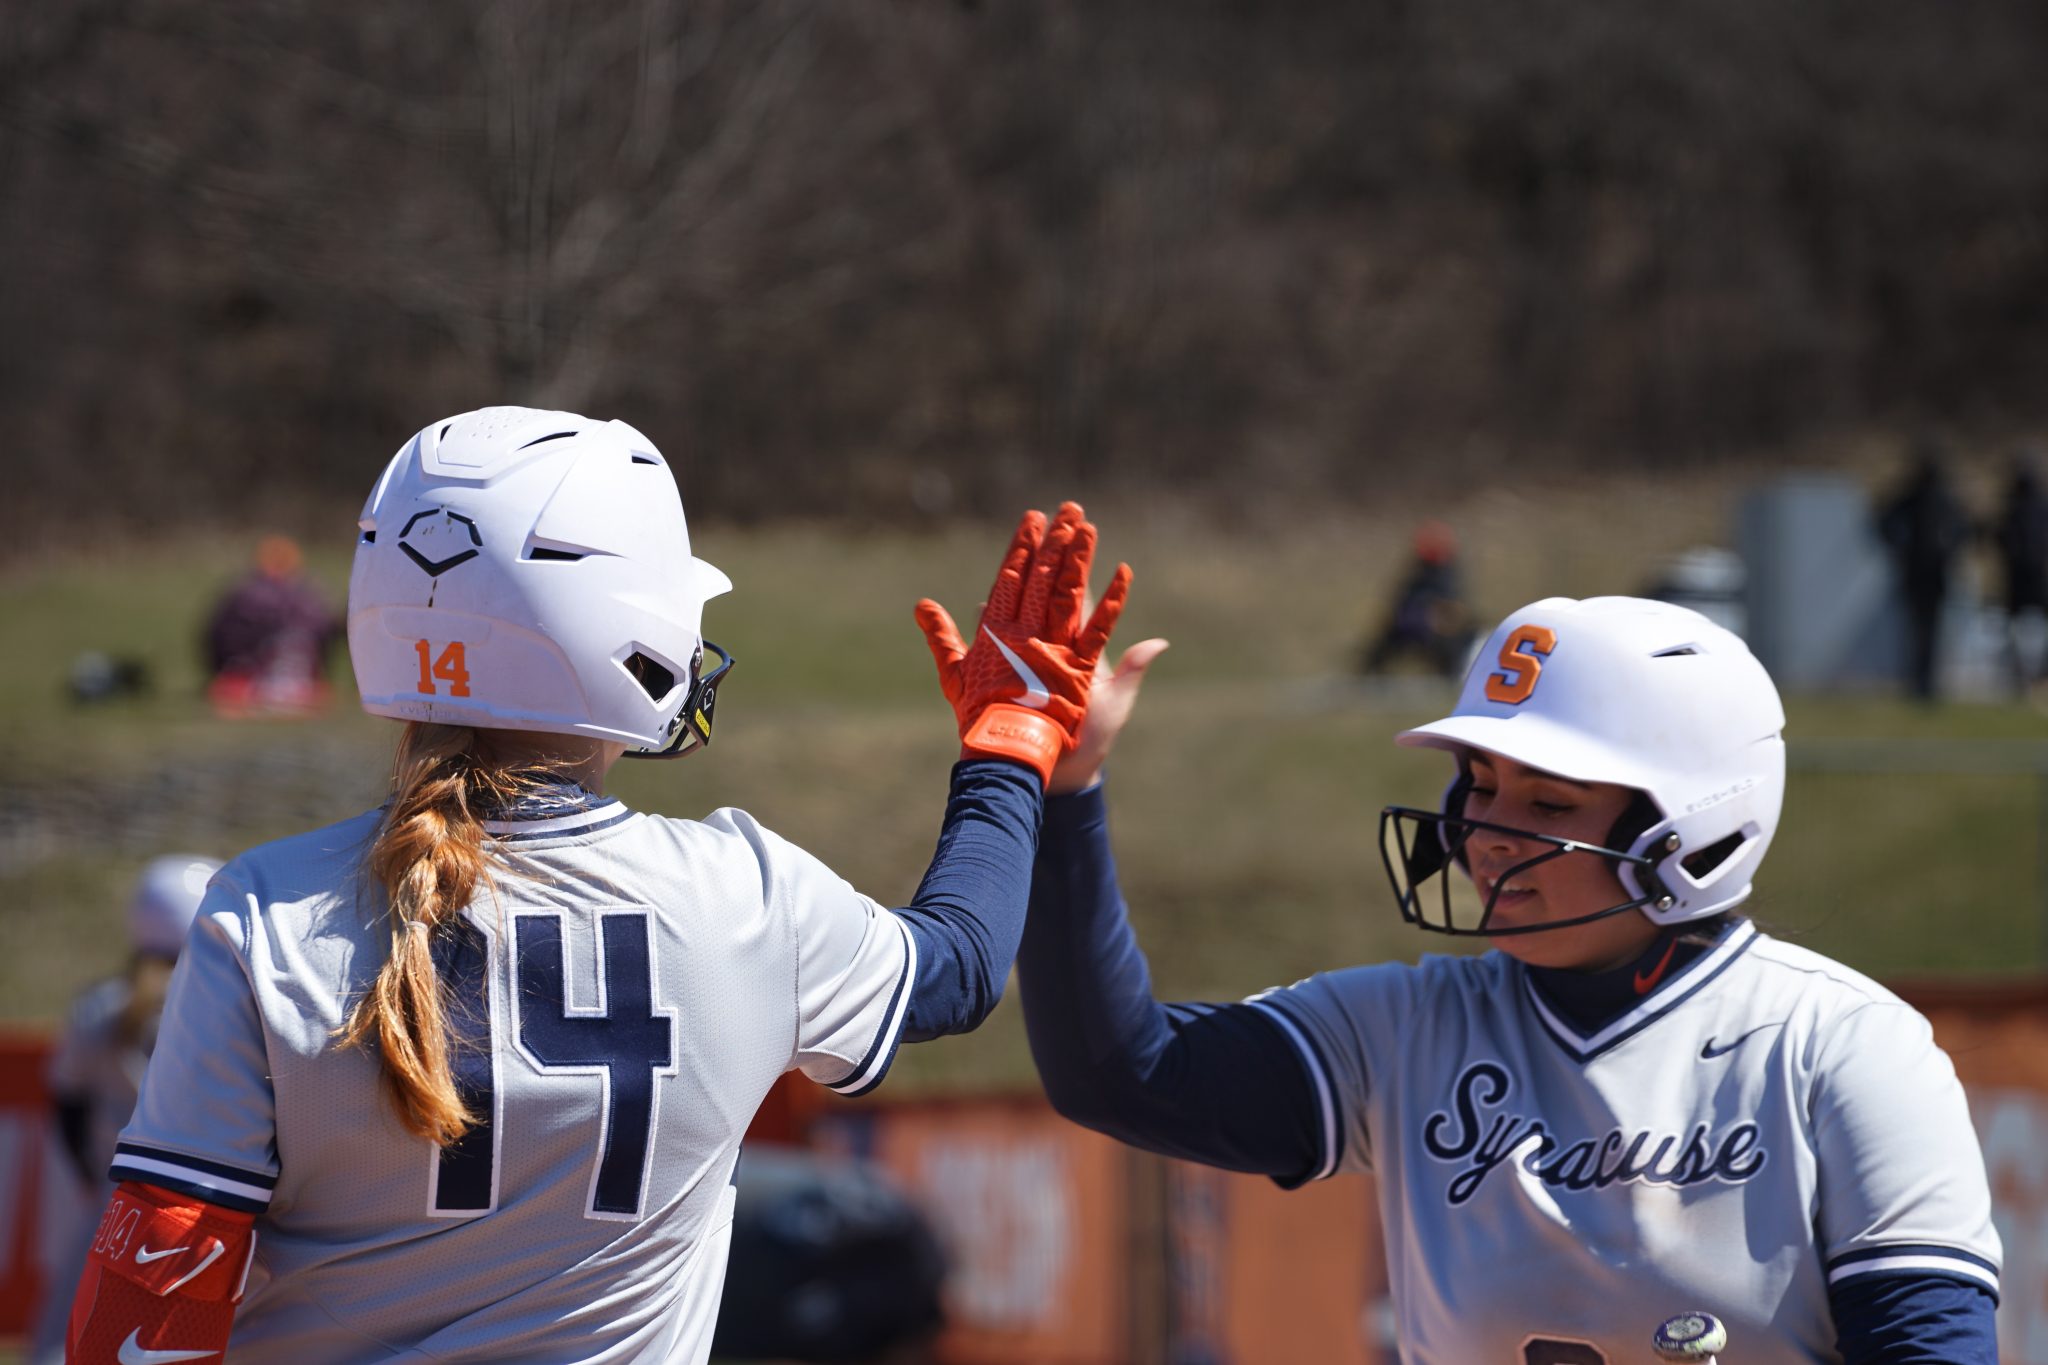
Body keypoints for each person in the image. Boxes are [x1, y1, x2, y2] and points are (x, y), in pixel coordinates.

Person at [66, 406, 1130, 1364]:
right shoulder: (740, 898)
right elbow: (958, 966)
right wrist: (1010, 748)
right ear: (631, 629)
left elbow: (159, 1278)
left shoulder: (264, 908)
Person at [1019, 596, 1999, 1362]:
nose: (1483, 835)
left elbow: (1928, 1344)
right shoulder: (1403, 1028)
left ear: (1689, 834)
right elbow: (1119, 1074)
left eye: (1546, 800)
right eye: (1479, 786)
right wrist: (1064, 793)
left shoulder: (1839, 1045)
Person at [27, 855, 222, 1365]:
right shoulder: (225, 1009)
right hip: (203, 1207)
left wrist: (93, 1178)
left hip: (118, 1203)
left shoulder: (102, 1005)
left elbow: (68, 1106)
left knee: (76, 1338)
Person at [201, 533, 342, 715]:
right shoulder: (313, 598)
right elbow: (329, 641)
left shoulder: (240, 595)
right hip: (304, 689)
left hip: (245, 688)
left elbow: (214, 639)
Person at [1875, 438, 1969, 702]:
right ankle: (1920, 683)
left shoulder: (1934, 498)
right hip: (1921, 573)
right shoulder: (1921, 498)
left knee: (1925, 631)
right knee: (1921, 631)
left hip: (1930, 573)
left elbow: (1963, 529)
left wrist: (1948, 550)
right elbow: (1884, 523)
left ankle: (1925, 683)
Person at [1358, 520, 1474, 680]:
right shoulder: (1417, 571)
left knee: (1456, 644)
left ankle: (1453, 678)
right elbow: (1399, 600)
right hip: (1409, 625)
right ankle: (1367, 678)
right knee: (1380, 648)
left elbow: (1455, 608)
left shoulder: (1450, 575)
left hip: (1437, 629)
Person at [1992, 446, 2048, 694]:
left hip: (2030, 574)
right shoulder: (2023, 506)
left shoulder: (2017, 506)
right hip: (2027, 574)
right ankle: (2022, 674)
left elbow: (2000, 536)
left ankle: (2029, 674)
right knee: (2012, 626)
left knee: (2015, 625)